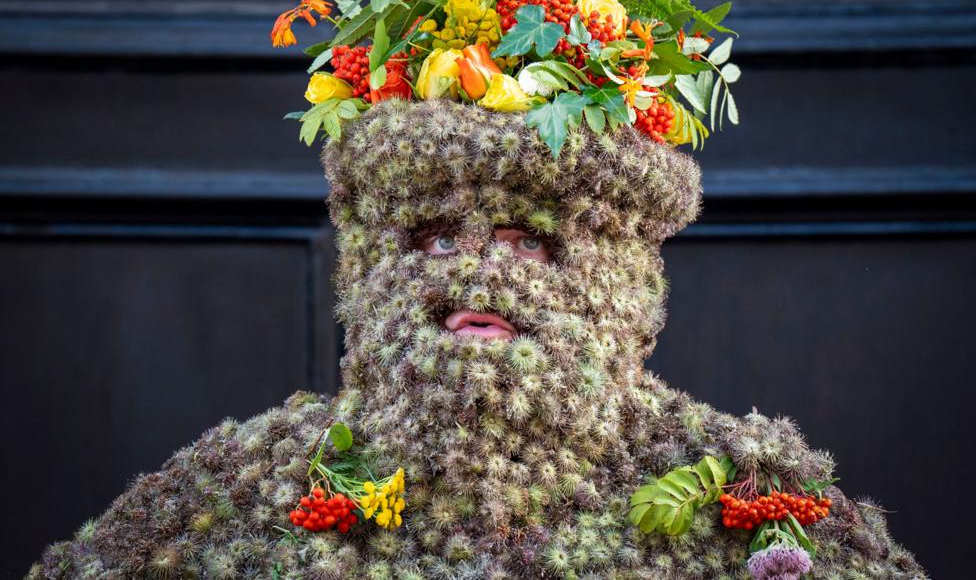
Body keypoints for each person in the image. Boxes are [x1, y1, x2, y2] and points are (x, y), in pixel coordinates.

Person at [27, 99, 926, 579]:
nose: (479, 273)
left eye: (527, 241)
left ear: (628, 280)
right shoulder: (234, 494)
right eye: (436, 240)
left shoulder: (752, 496)